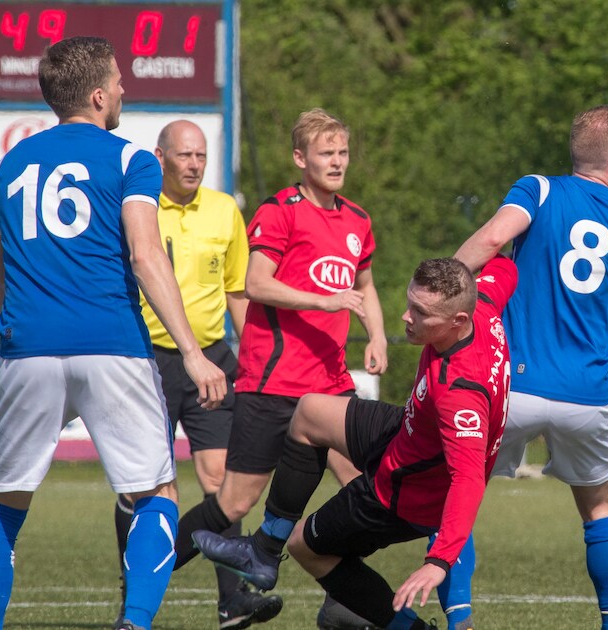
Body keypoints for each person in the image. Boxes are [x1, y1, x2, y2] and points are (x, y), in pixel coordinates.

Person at [0, 37, 227, 630]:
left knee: (1, 508)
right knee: (156, 496)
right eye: (120, 80)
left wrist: (19, 331)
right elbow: (145, 255)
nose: (126, 90)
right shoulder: (132, 159)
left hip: (24, 350)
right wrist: (192, 352)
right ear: (99, 94)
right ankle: (134, 623)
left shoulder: (7, 166)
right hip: (112, 344)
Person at [193, 256, 516, 630]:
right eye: (410, 304)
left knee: (305, 548)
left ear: (458, 321)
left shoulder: (460, 393)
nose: (406, 317)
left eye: (421, 312)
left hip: (405, 491)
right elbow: (504, 260)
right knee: (310, 411)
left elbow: (469, 479)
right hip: (406, 432)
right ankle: (262, 551)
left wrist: (438, 561)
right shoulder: (484, 302)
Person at [174, 108, 389, 628]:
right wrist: (324, 302)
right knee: (232, 502)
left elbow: (363, 286)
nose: (337, 163)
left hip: (330, 385)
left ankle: (343, 601)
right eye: (325, 154)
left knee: (368, 487)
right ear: (301, 159)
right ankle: (143, 575)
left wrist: (378, 334)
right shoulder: (280, 211)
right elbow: (258, 282)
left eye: (342, 153)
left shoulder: (358, 219)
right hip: (273, 384)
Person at [453, 104, 608, 629]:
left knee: (455, 500)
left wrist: (442, 296)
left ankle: (458, 624)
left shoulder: (539, 191)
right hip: (587, 396)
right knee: (600, 508)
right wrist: (606, 333)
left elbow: (491, 240)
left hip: (514, 388)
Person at [108, 120, 282, 630]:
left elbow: (237, 290)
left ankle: (232, 603)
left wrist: (255, 357)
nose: (194, 165)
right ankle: (132, 597)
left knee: (219, 479)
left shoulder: (225, 210)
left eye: (201, 156)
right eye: (184, 156)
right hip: (147, 360)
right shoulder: (136, 206)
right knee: (143, 488)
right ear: (160, 158)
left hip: (211, 360)